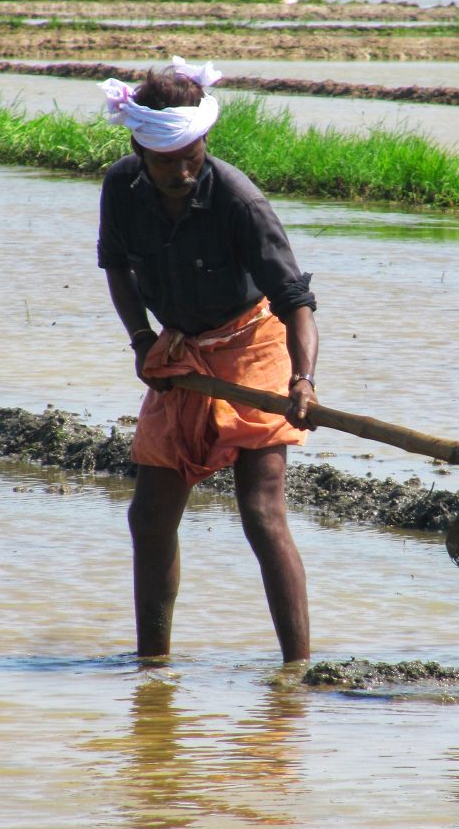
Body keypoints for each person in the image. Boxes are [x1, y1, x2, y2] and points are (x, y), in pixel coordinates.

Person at [97, 56, 318, 663]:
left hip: (253, 344)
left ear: (205, 141)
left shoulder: (239, 201)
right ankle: (153, 666)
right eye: (168, 161)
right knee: (149, 516)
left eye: (192, 157)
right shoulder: (121, 186)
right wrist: (142, 341)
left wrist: (302, 380)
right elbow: (115, 265)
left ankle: (296, 671)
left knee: (260, 510)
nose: (183, 172)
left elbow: (296, 302)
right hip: (182, 349)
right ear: (142, 151)